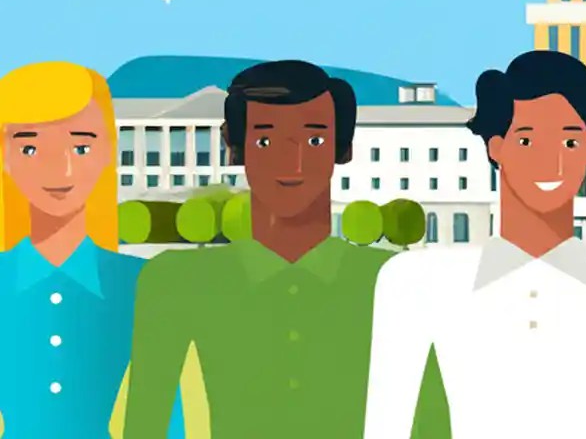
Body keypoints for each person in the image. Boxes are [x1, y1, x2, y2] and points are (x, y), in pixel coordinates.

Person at [363, 50, 586, 438]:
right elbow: (385, 424)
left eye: (569, 142)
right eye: (527, 140)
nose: (551, 163)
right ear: (496, 146)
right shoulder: (416, 280)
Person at [122, 60, 391, 438]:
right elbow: (145, 423)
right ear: (236, 147)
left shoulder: (395, 281)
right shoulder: (176, 281)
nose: (291, 163)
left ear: (342, 148)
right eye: (265, 140)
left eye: (314, 140)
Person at [0, 61, 183, 437]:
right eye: (31, 148)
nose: (61, 168)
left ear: (106, 152)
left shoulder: (143, 284)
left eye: (81, 146)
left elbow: (163, 418)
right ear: (6, 157)